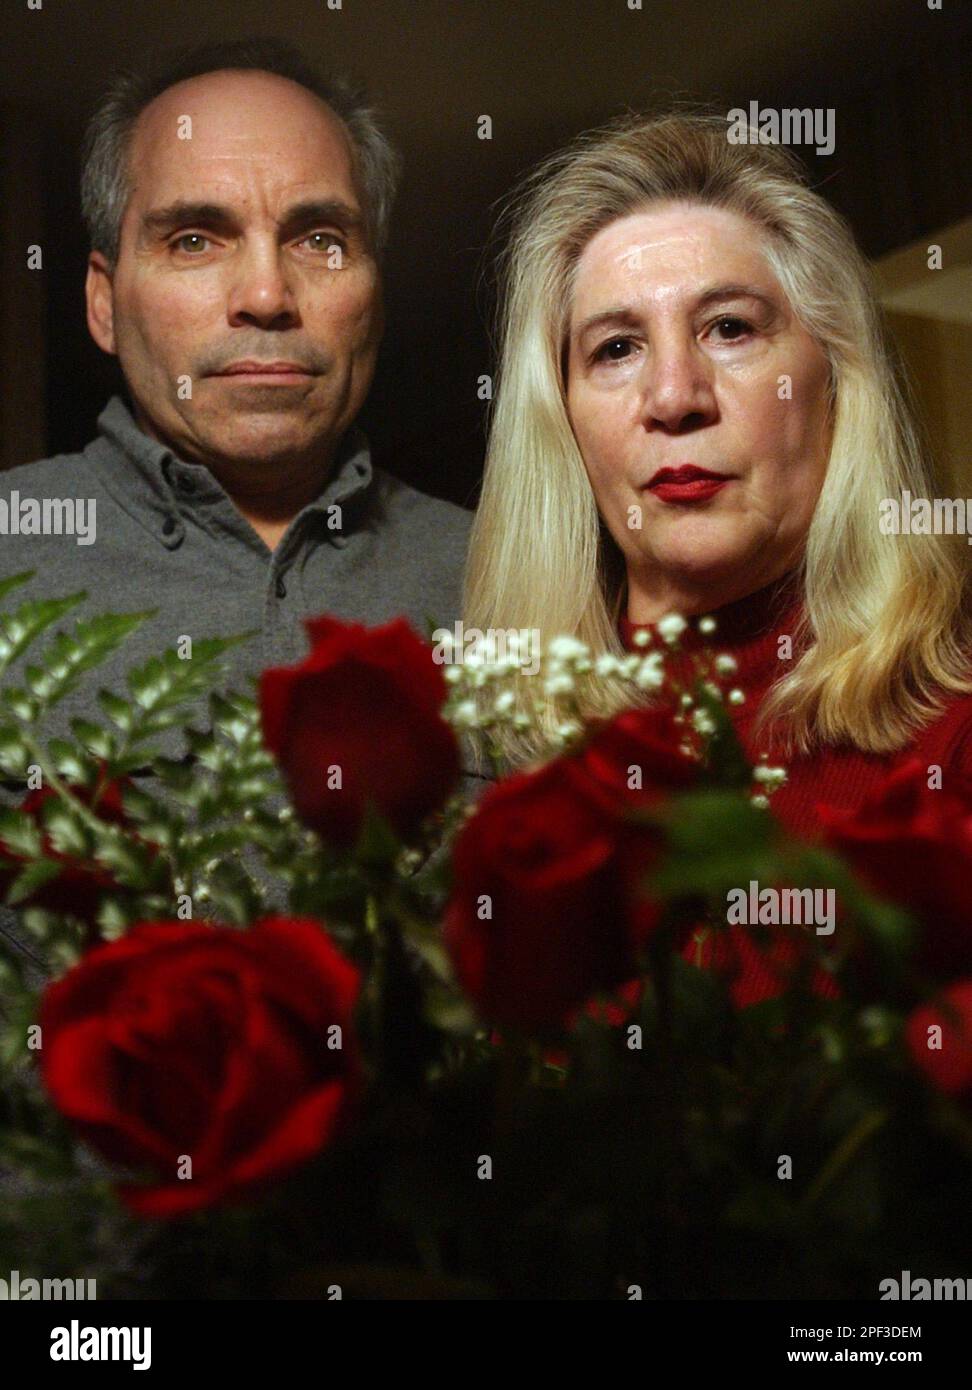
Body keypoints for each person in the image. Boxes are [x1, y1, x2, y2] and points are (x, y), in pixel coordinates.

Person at [462, 110, 972, 999]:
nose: (674, 395)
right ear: (564, 423)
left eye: (730, 329)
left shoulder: (953, 721)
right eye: (616, 349)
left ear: (832, 380)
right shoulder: (498, 753)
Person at [0, 38, 477, 970]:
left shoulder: (505, 569)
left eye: (321, 239)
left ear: (375, 292)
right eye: (193, 239)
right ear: (103, 302)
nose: (265, 295)